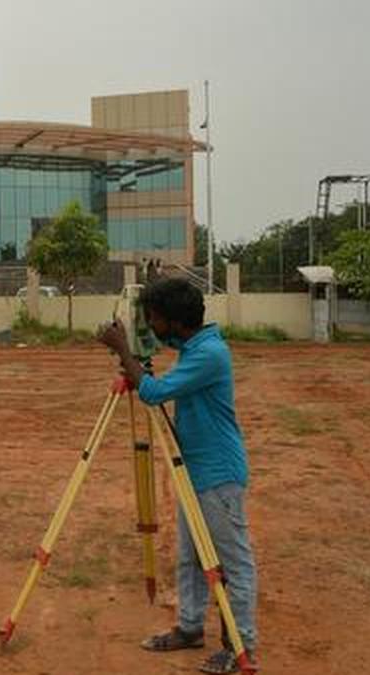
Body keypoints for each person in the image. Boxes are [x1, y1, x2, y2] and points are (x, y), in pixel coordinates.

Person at [97, 277, 258, 675]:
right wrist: (134, 346)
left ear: (174, 320)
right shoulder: (193, 345)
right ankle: (190, 627)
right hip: (195, 473)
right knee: (191, 557)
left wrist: (124, 350)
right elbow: (160, 349)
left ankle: (241, 646)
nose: (150, 325)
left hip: (218, 475)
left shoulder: (209, 354)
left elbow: (153, 392)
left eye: (152, 317)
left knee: (232, 563)